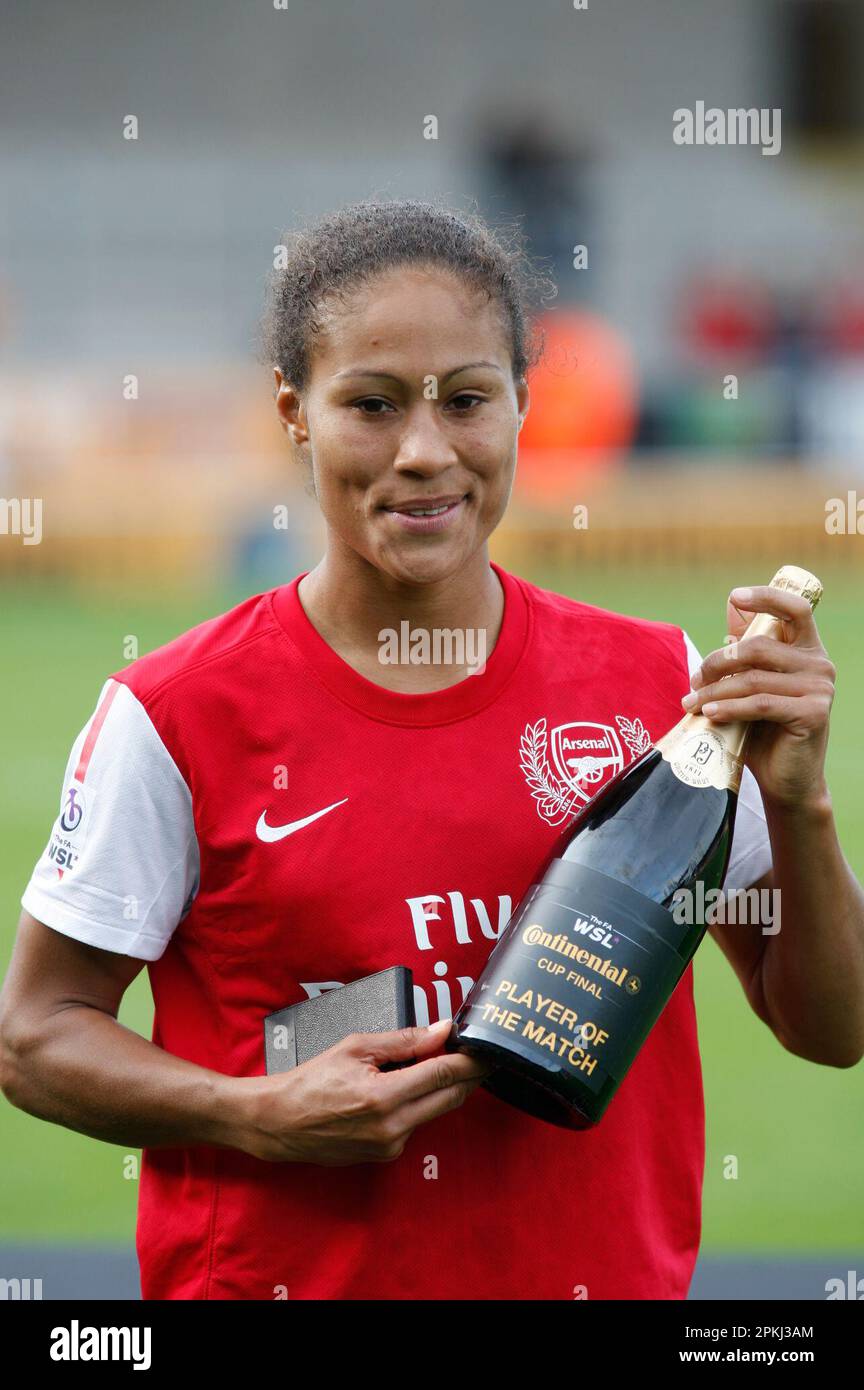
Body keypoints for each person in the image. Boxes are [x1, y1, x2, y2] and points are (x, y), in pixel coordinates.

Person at [1, 200, 862, 1302]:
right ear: (292, 414)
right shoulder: (174, 709)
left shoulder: (662, 686)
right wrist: (252, 1115)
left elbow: (833, 1028)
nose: (424, 451)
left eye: (466, 400)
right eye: (370, 404)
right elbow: (34, 1037)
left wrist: (802, 802)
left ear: (520, 408)